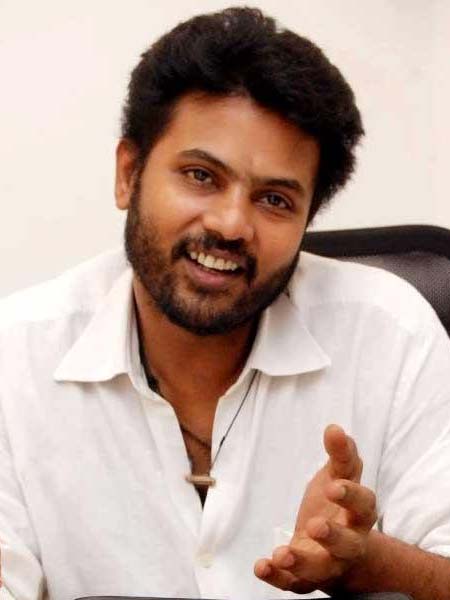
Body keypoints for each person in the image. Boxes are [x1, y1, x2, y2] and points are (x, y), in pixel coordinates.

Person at [1, 6, 449, 600]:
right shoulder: (17, 356)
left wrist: (370, 564)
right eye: (200, 176)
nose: (231, 224)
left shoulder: (392, 334)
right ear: (128, 174)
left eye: (275, 200)